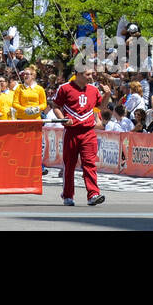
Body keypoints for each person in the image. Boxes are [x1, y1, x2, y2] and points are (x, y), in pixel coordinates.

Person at [52, 65, 105, 207]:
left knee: (90, 164)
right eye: (87, 74)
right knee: (69, 165)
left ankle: (93, 194)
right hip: (71, 131)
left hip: (88, 132)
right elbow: (55, 105)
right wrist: (63, 118)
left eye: (91, 74)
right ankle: (68, 195)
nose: (91, 76)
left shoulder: (94, 90)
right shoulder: (64, 88)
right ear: (78, 74)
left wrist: (108, 95)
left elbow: (100, 107)